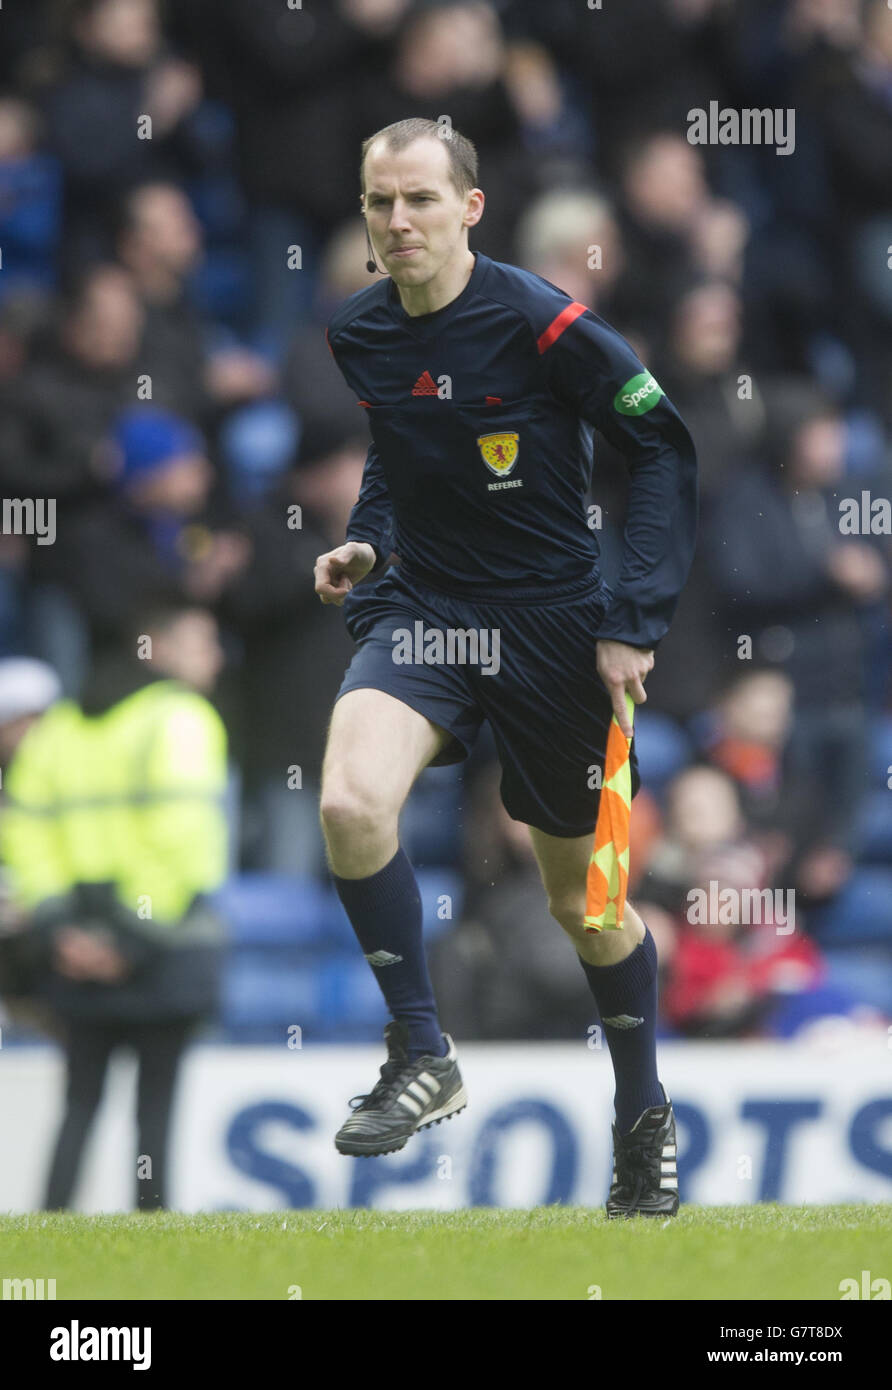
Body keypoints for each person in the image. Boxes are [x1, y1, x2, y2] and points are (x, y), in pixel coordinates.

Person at [314, 118, 697, 1218]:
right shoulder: (361, 332)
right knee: (347, 801)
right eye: (380, 203)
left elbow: (660, 442)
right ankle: (421, 1052)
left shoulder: (543, 320)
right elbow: (399, 451)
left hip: (552, 628)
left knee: (585, 907)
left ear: (470, 207)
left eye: (421, 201)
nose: (398, 223)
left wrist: (634, 616)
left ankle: (641, 1115)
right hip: (428, 610)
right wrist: (368, 540)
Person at [0, 605, 228, 1210]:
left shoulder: (58, 729)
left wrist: (59, 931)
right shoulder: (181, 717)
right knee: (155, 1109)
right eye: (201, 643)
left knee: (78, 1104)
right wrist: (131, 939)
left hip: (74, 946)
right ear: (156, 648)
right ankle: (151, 1238)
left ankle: (50, 1227)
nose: (217, 658)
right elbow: (184, 838)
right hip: (163, 948)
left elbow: (24, 835)